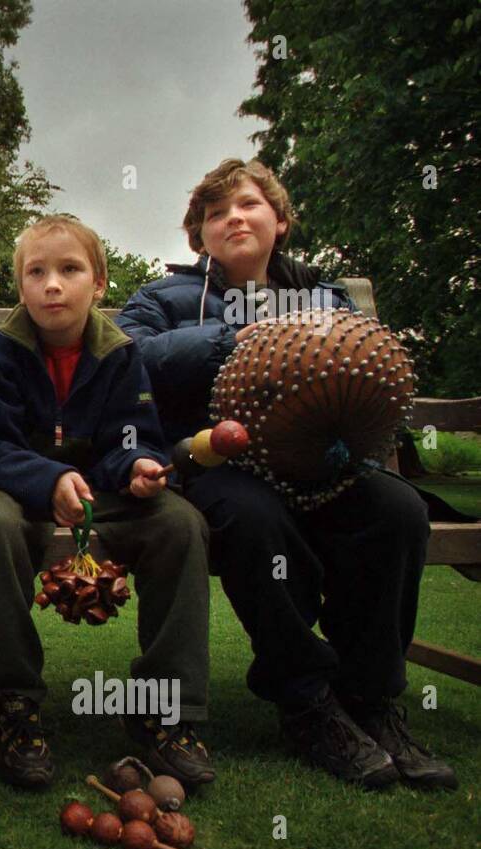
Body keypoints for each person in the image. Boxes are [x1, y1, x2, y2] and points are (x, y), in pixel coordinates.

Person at [116, 158, 454, 789]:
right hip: (221, 465)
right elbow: (132, 360)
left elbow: (373, 370)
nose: (232, 218)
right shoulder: (163, 297)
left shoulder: (325, 295)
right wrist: (232, 335)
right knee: (251, 517)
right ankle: (305, 701)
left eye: (247, 205)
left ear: (280, 221)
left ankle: (370, 699)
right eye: (216, 213)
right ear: (199, 236)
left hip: (327, 464)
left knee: (399, 511)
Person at [0, 215, 215, 790]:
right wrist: (47, 479)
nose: (53, 284)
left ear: (98, 284)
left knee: (180, 523)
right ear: (21, 287)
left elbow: (133, 436)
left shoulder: (121, 355)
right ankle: (15, 705)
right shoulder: (0, 354)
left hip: (100, 488)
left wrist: (140, 467)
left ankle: (164, 710)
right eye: (37, 272)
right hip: (13, 487)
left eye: (69, 270)